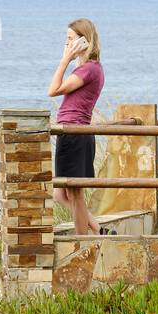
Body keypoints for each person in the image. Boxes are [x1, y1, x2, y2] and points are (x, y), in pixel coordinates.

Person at [48, 18, 107, 235]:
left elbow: (53, 90)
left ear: (84, 41)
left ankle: (83, 242)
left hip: (74, 134)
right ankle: (99, 230)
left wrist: (65, 60)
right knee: (60, 195)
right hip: (73, 133)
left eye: (70, 38)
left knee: (75, 194)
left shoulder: (88, 70)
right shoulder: (90, 68)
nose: (67, 43)